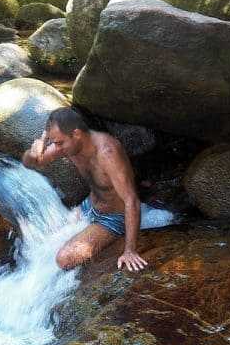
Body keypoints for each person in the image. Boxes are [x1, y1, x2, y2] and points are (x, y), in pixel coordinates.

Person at [22, 106, 148, 272]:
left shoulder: (107, 153)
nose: (57, 148)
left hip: (113, 218)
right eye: (54, 143)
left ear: (76, 134)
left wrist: (130, 250)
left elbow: (131, 200)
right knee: (46, 237)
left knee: (63, 259)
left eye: (60, 143)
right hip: (89, 206)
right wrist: (35, 151)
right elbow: (30, 163)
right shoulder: (70, 146)